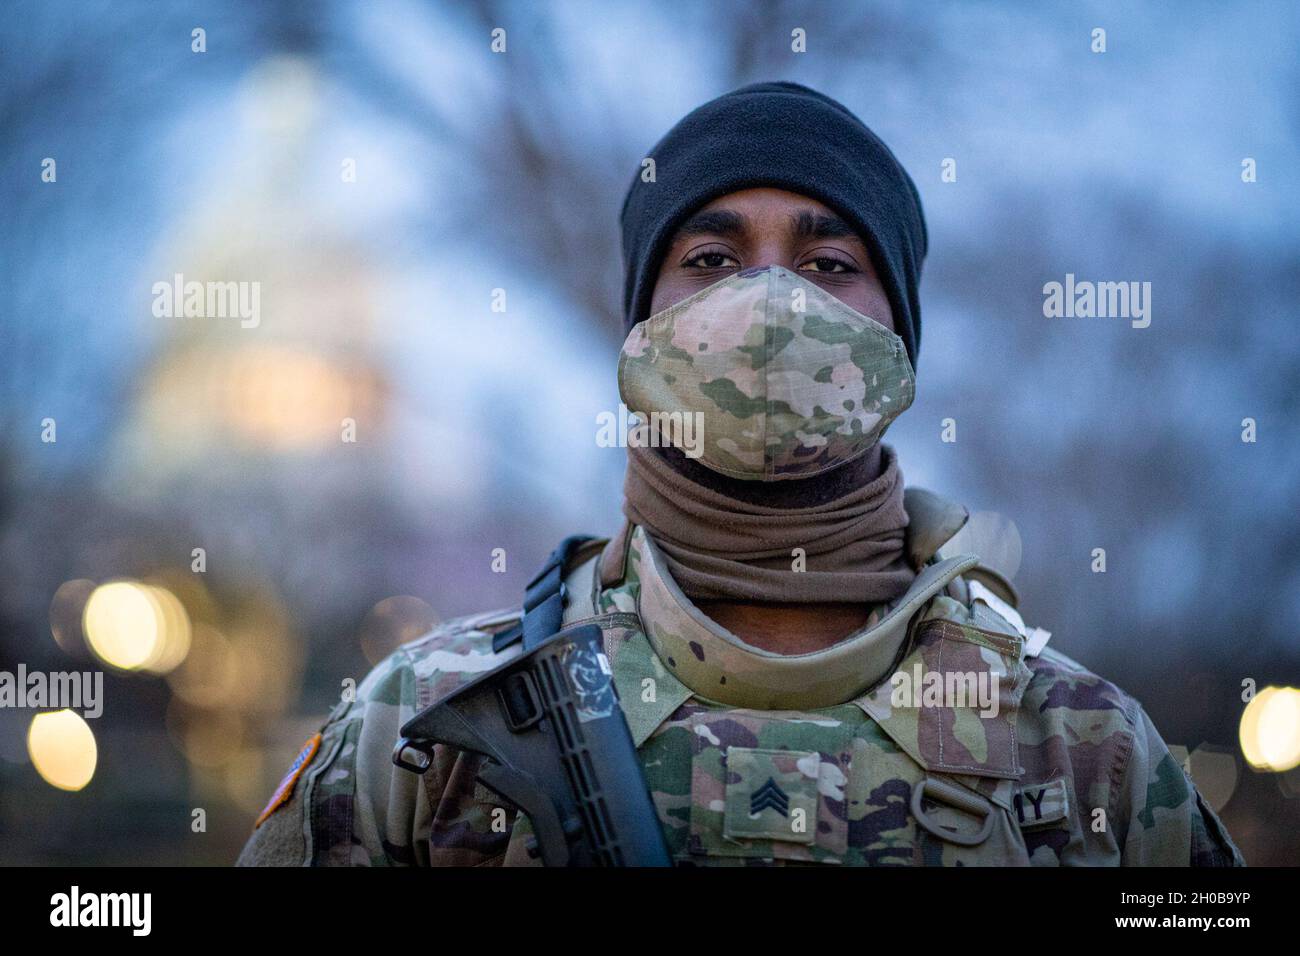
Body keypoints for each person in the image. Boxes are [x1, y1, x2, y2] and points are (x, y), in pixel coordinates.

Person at [238, 81, 1242, 867]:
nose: (768, 300)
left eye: (830, 263)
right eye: (711, 259)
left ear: (898, 337)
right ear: (642, 327)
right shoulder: (430, 727)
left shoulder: (1085, 751)